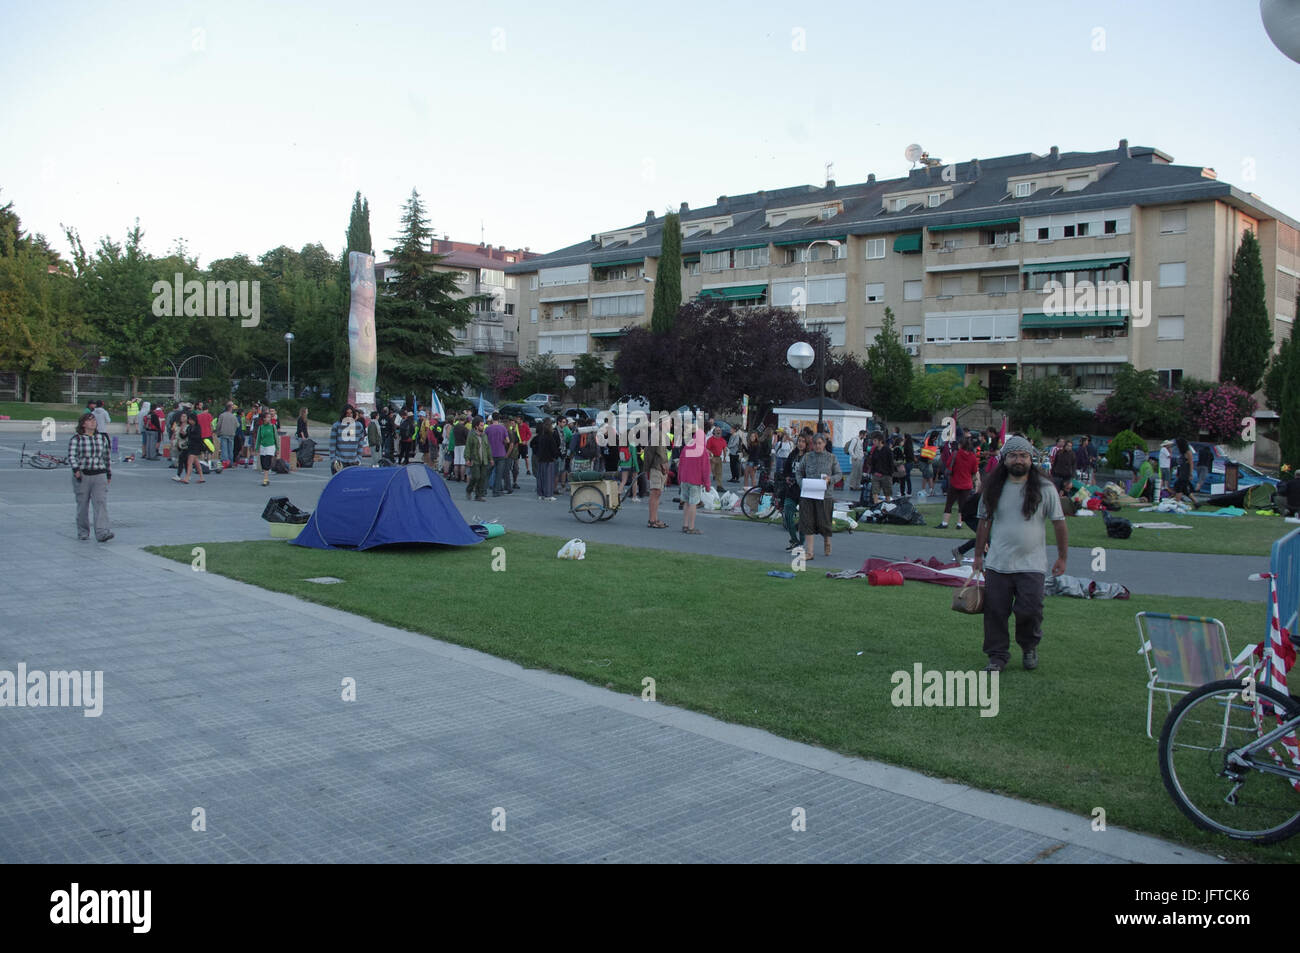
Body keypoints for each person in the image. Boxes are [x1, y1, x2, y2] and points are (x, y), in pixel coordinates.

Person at [973, 435, 1068, 673]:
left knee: (1031, 609)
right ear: (1005, 459)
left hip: (1032, 564)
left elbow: (1059, 523)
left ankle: (1029, 647)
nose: (1018, 460)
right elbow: (983, 523)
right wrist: (977, 556)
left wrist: (1062, 557)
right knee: (995, 612)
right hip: (998, 563)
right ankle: (997, 656)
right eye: (1013, 455)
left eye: (1023, 456)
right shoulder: (993, 487)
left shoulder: (1045, 488)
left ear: (1030, 459)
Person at [68, 411, 114, 542]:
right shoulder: (77, 439)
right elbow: (72, 455)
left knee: (100, 503)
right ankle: (83, 531)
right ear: (83, 424)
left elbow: (106, 456)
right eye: (89, 420)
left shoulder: (102, 438)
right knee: (83, 505)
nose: (93, 422)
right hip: (83, 475)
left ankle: (102, 532)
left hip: (99, 474)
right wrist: (76, 469)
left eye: (94, 420)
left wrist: (108, 472)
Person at [796, 433, 841, 560]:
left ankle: (827, 541)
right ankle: (809, 552)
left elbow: (838, 474)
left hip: (825, 495)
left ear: (825, 444)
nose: (817, 446)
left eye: (820, 443)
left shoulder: (831, 457)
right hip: (808, 493)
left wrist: (830, 479)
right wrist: (801, 483)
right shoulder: (807, 456)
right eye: (815, 443)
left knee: (824, 523)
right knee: (807, 522)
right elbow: (799, 472)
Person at [677, 425, 711, 535]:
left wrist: (679, 478)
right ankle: (691, 527)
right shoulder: (703, 451)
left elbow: (680, 464)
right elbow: (705, 470)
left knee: (686, 502)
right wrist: (707, 484)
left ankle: (685, 525)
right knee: (693, 503)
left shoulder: (686, 448)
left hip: (684, 479)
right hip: (695, 481)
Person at [941, 436, 979, 529]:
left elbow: (948, 464)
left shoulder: (955, 454)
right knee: (962, 505)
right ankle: (959, 524)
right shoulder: (973, 457)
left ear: (960, 445)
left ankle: (945, 523)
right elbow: (974, 471)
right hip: (967, 484)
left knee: (949, 504)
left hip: (955, 482)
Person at [779, 433, 808, 551]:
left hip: (803, 491)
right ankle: (793, 539)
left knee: (803, 519)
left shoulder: (808, 457)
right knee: (788, 515)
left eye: (803, 441)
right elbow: (785, 470)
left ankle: (801, 542)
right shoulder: (793, 455)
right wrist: (786, 477)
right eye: (799, 441)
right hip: (791, 490)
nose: (800, 443)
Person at [642, 423, 671, 528]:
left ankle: (655, 518)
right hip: (656, 468)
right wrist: (646, 468)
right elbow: (648, 452)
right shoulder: (656, 434)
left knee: (657, 494)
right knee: (655, 493)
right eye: (669, 422)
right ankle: (652, 520)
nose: (671, 425)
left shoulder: (663, 435)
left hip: (661, 469)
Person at [531, 418, 561, 501]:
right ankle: (548, 494)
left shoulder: (541, 437)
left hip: (541, 458)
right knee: (549, 478)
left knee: (541, 477)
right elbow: (554, 449)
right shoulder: (550, 437)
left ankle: (541, 493)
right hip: (549, 459)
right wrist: (556, 455)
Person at [329, 406, 364, 472]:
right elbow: (332, 444)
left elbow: (360, 443)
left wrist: (359, 458)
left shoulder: (359, 426)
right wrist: (333, 460)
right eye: (347, 413)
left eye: (351, 413)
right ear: (343, 414)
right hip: (340, 461)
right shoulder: (336, 426)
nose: (349, 415)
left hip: (353, 461)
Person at [465, 416, 492, 502]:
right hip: (475, 459)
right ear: (476, 426)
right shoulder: (471, 435)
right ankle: (469, 489)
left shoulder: (484, 435)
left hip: (484, 460)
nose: (483, 426)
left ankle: (478, 495)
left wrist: (490, 458)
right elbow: (468, 447)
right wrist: (467, 459)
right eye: (481, 425)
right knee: (476, 477)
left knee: (482, 478)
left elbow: (488, 447)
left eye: (483, 425)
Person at [1171, 437, 1200, 507]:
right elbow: (1180, 464)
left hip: (1185, 473)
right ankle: (1196, 503)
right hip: (1181, 472)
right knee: (1185, 490)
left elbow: (1191, 463)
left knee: (1179, 486)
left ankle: (1177, 501)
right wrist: (1178, 472)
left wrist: (1190, 474)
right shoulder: (1182, 453)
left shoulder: (1188, 452)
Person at [868, 434, 894, 504]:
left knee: (887, 492)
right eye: (873, 440)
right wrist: (872, 472)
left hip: (886, 475)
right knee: (875, 491)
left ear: (880, 441)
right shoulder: (875, 450)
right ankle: (876, 504)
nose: (874, 442)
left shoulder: (887, 450)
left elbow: (891, 462)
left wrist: (890, 473)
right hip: (876, 475)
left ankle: (888, 505)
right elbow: (872, 462)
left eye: (875, 440)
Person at [254, 411, 278, 486]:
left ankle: (265, 479)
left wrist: (277, 448)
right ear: (264, 419)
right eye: (267, 417)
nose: (269, 419)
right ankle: (266, 477)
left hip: (270, 446)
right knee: (263, 463)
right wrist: (256, 448)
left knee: (267, 462)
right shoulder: (261, 427)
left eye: (269, 417)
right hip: (263, 446)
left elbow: (276, 438)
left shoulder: (273, 427)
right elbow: (258, 438)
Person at [217, 402, 239, 466]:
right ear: (230, 408)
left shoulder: (222, 415)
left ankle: (225, 462)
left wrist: (217, 432)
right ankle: (231, 462)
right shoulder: (233, 416)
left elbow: (218, 425)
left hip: (223, 433)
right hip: (231, 434)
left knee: (224, 449)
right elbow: (237, 425)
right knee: (230, 449)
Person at [452, 414, 469, 482]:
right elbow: (467, 437)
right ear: (464, 420)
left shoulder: (455, 427)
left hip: (456, 445)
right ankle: (462, 477)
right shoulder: (464, 428)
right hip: (463, 445)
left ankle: (456, 476)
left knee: (456, 462)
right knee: (462, 463)